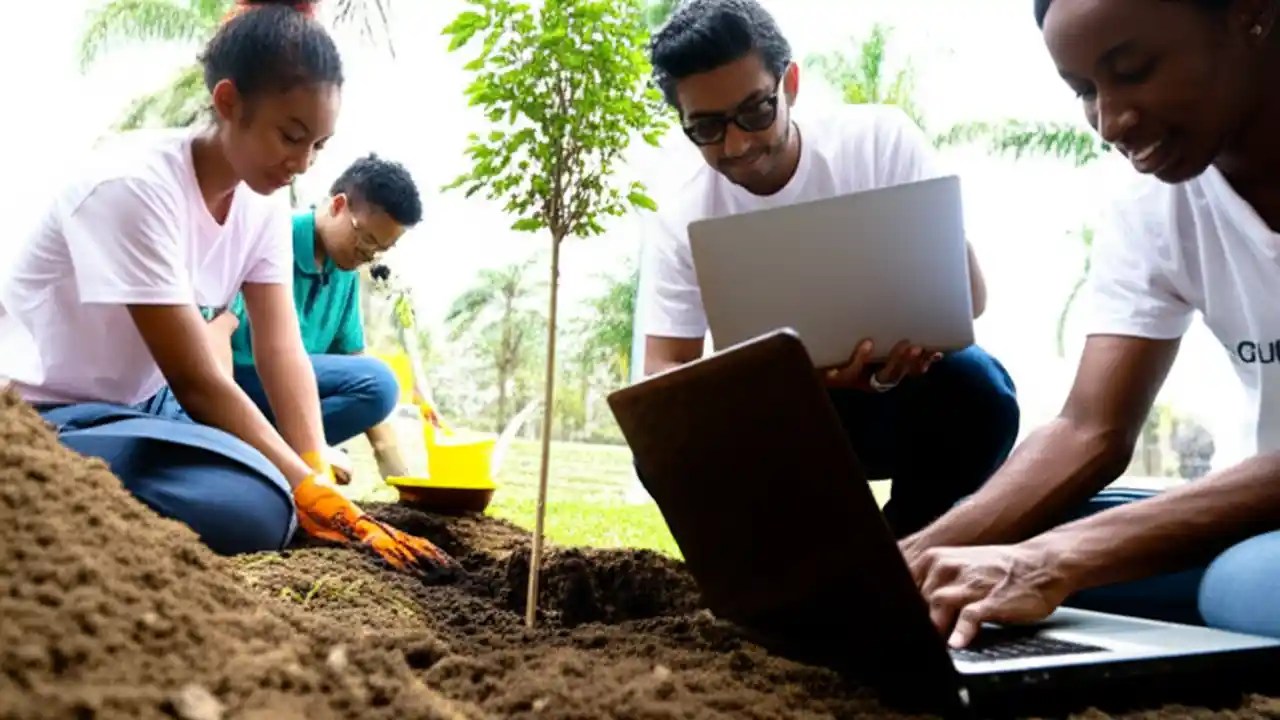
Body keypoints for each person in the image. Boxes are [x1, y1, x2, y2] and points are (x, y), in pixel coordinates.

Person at [0, 0, 451, 574]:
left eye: (318, 145)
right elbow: (197, 379)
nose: (303, 164)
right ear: (228, 102)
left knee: (274, 485)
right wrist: (302, 488)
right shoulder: (132, 188)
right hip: (46, 412)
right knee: (256, 506)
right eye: (291, 136)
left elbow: (281, 349)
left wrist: (313, 472)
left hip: (146, 406)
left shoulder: (261, 204)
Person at [904, 0, 1280, 648]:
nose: (1110, 121)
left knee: (1241, 585)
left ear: (1251, 12)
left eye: (1133, 69)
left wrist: (1058, 560)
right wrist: (906, 561)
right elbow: (1090, 429)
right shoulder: (1154, 211)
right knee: (997, 545)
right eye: (1084, 91)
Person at [641, 0, 1021, 538]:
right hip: (776, 418)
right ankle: (780, 572)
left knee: (979, 390)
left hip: (895, 398)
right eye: (706, 127)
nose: (738, 144)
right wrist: (795, 381)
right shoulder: (684, 215)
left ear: (789, 84)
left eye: (755, 111)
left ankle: (909, 551)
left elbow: (969, 298)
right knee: (662, 441)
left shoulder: (878, 142)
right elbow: (663, 371)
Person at [227, 153, 423, 483]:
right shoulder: (273, 235)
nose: (369, 254)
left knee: (379, 388)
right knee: (379, 380)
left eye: (380, 250)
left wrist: (393, 462)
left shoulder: (343, 269)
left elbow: (352, 359)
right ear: (338, 206)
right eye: (367, 239)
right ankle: (272, 450)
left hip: (291, 391)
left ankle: (272, 455)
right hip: (240, 377)